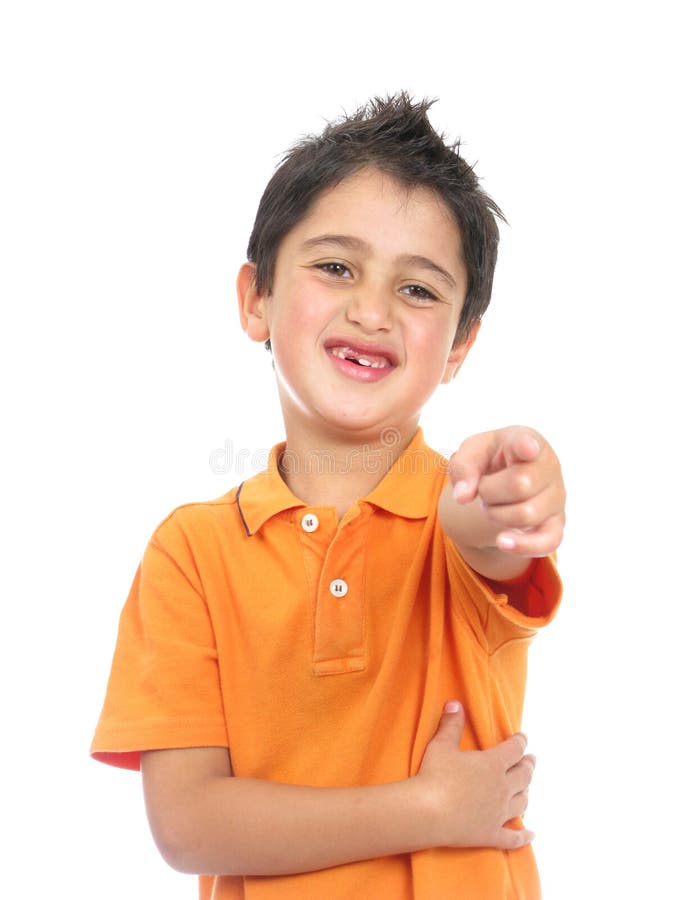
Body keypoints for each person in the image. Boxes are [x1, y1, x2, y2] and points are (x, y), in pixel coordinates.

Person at [91, 93, 565, 899]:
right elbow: (186, 824)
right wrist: (429, 808)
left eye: (418, 290)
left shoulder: (459, 518)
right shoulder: (192, 552)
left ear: (458, 346)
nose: (371, 310)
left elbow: (481, 531)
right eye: (336, 266)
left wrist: (510, 490)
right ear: (255, 299)